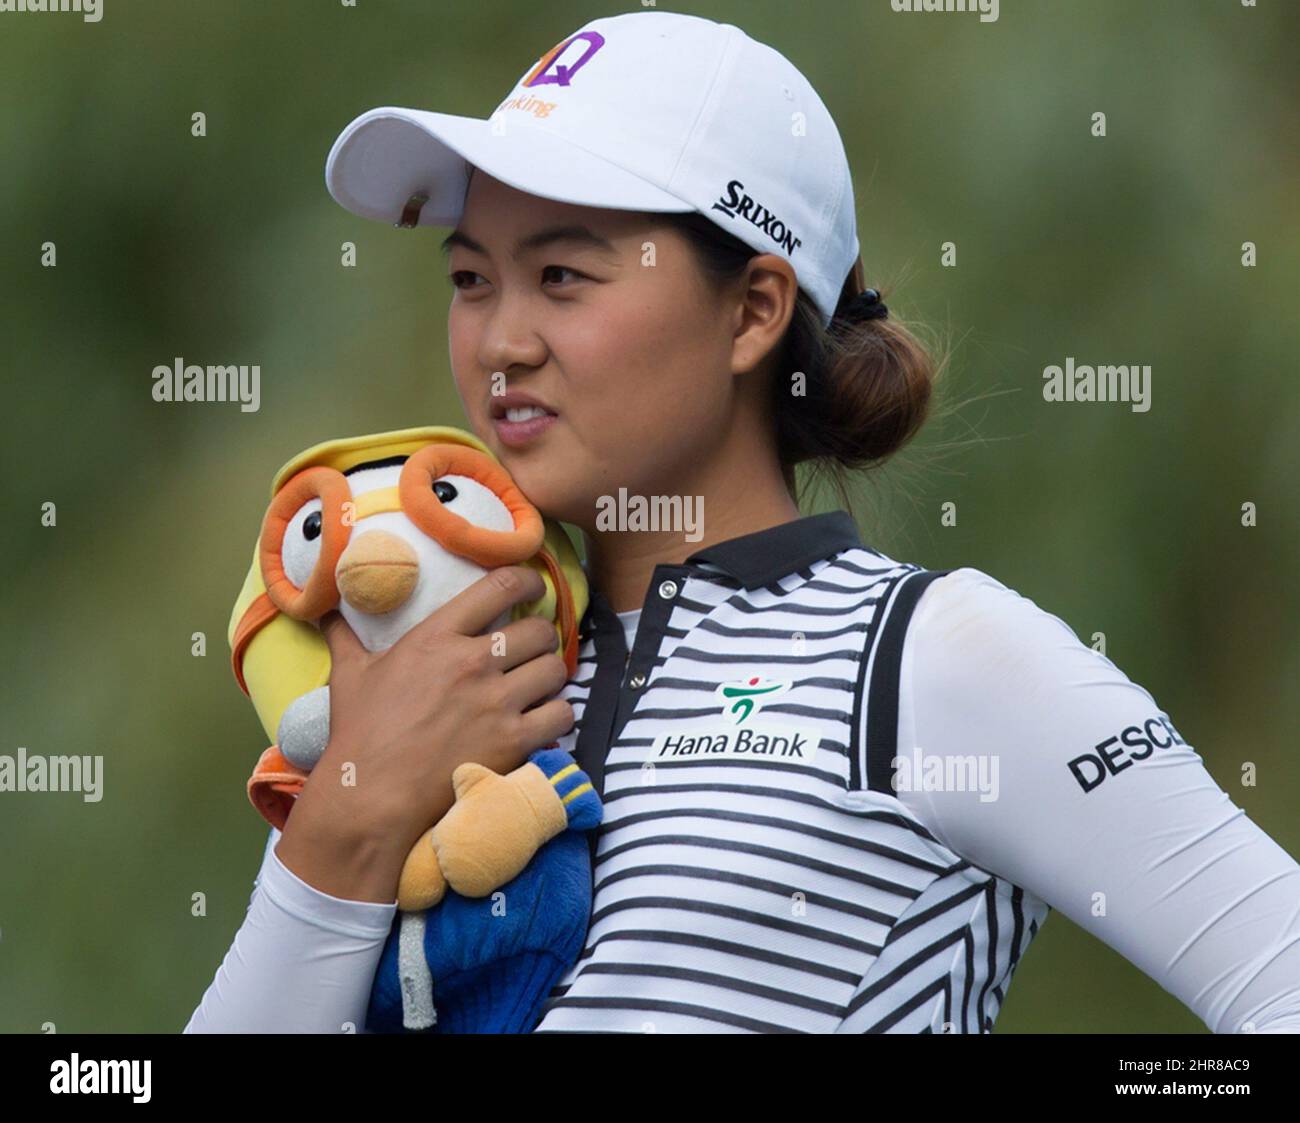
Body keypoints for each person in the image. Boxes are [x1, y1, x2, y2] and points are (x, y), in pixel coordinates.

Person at [184, 10, 1300, 1034]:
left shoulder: (936, 662)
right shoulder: (439, 678)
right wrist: (348, 817)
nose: (498, 341)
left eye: (562, 275)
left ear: (753, 311)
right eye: (471, 279)